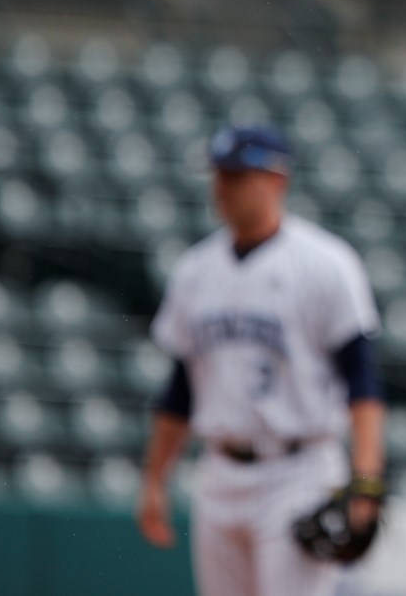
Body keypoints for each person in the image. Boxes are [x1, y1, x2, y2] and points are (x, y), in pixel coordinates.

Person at [137, 124, 386, 596]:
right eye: (219, 175)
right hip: (219, 472)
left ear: (277, 180)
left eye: (236, 175)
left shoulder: (326, 263)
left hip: (298, 471)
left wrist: (366, 480)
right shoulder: (194, 271)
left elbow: (363, 381)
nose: (222, 188)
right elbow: (180, 389)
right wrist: (154, 479)